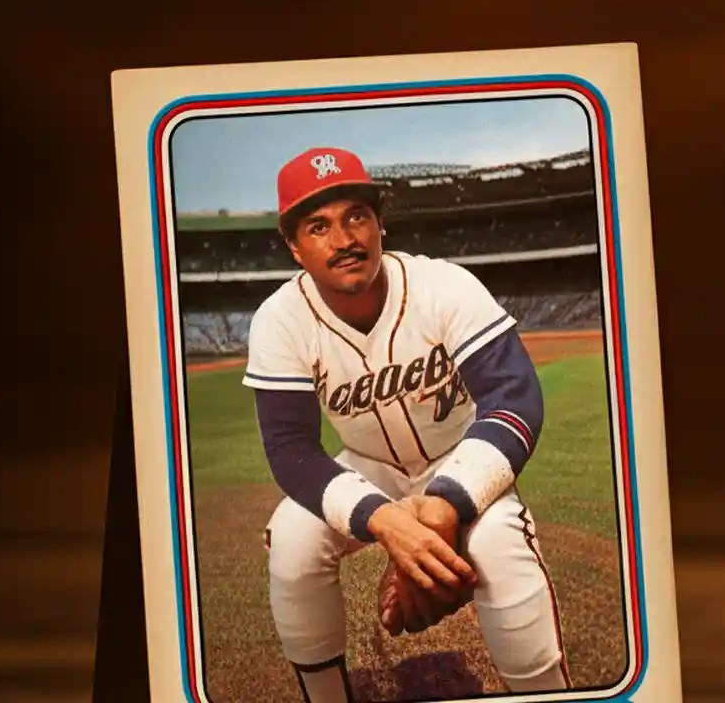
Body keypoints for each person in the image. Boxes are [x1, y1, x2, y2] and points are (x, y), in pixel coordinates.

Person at [242, 146, 571, 701]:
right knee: (294, 542)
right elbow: (291, 448)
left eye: (357, 216)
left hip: (460, 452)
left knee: (499, 549)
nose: (344, 239)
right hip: (369, 467)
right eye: (319, 226)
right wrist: (388, 525)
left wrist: (445, 507)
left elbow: (514, 399)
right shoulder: (280, 320)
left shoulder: (442, 285)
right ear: (294, 247)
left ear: (379, 223)